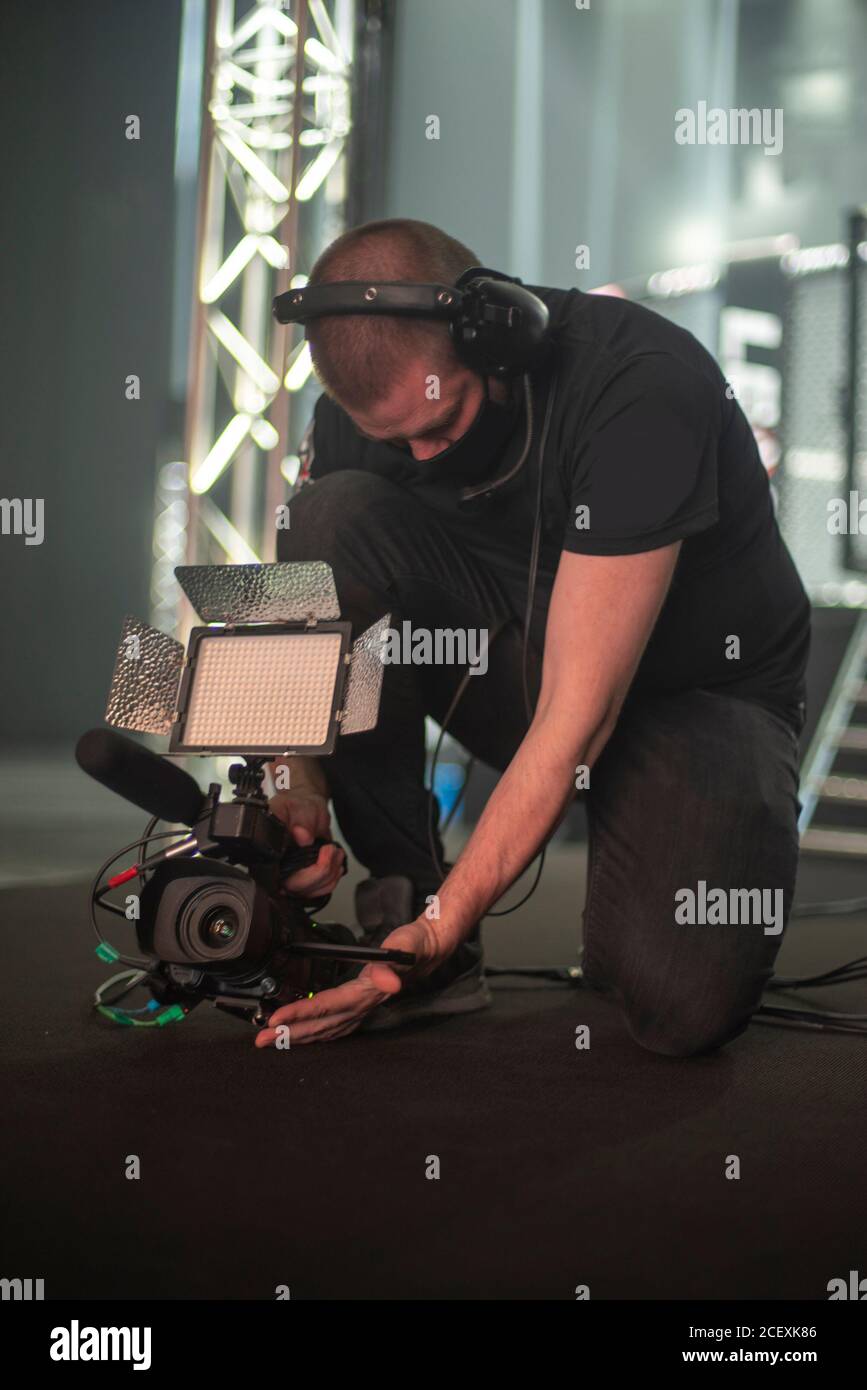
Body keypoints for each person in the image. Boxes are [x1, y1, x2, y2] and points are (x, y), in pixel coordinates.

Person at [253, 218, 810, 1054]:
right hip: (518, 667)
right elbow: (294, 625)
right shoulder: (359, 424)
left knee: (679, 1009)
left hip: (694, 699)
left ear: (496, 338)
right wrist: (299, 789)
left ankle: (446, 933)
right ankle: (405, 905)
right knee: (323, 519)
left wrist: (447, 924)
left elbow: (580, 714)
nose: (421, 454)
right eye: (393, 439)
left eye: (441, 424)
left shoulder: (642, 385)